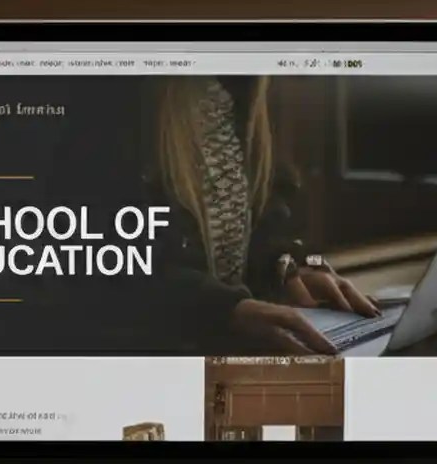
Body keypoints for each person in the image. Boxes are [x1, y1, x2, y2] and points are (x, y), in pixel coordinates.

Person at [144, 76, 378, 355]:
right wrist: (222, 310)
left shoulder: (244, 99)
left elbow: (254, 238)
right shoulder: (132, 104)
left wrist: (284, 272)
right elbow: (118, 274)